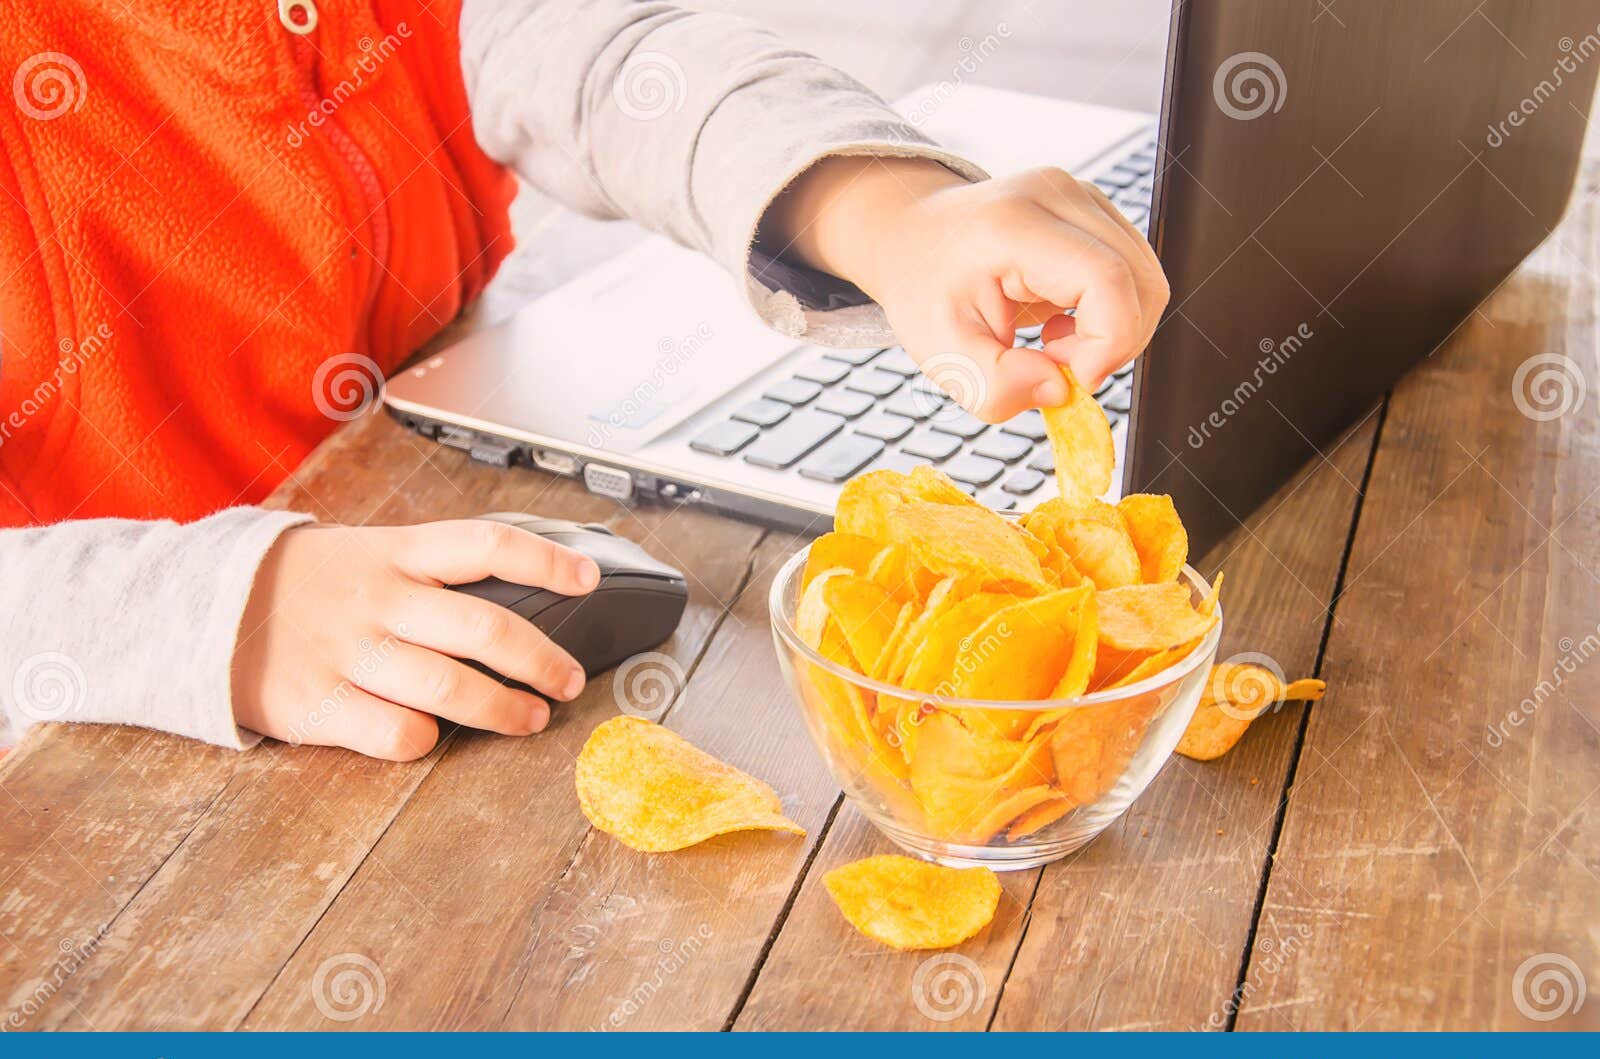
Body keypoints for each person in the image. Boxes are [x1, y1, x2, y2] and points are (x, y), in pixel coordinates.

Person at [0, 0, 1167, 759]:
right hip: (85, 723)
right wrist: (231, 611)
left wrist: (874, 204)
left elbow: (606, 54)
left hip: (409, 507)